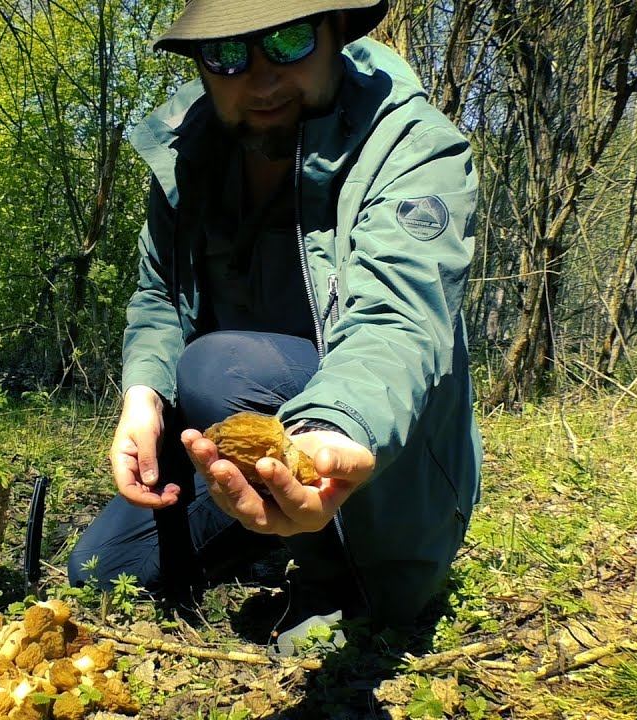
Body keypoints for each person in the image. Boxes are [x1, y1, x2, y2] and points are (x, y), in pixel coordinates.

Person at [68, 0, 481, 652]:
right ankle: (265, 533)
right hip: (243, 431)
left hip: (372, 466)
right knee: (102, 572)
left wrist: (335, 427)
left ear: (336, 30)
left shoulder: (409, 147)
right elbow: (159, 296)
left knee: (218, 366)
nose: (258, 79)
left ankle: (339, 582)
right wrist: (143, 395)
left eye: (288, 41)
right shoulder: (186, 152)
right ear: (201, 61)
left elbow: (397, 321)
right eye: (227, 52)